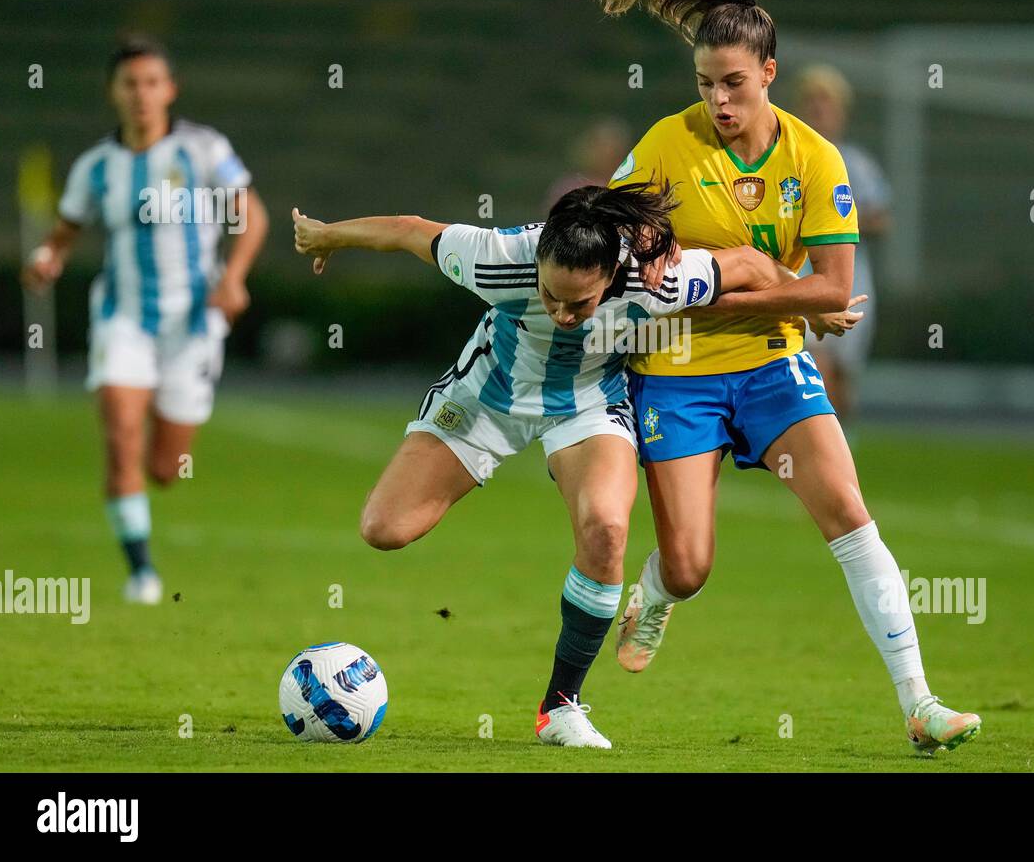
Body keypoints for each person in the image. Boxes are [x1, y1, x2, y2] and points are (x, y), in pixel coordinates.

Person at [591, 0, 980, 754]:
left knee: (849, 513)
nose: (718, 100)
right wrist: (780, 292)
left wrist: (740, 300)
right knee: (690, 567)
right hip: (677, 374)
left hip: (773, 367)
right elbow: (608, 248)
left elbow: (836, 287)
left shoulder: (815, 159)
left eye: (734, 82)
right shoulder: (663, 147)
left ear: (770, 71)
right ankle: (654, 592)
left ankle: (920, 705)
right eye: (705, 83)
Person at [291, 182, 860, 748]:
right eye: (550, 296)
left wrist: (808, 304)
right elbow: (409, 230)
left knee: (607, 528)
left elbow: (752, 265)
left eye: (580, 303)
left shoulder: (655, 279)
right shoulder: (496, 258)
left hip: (588, 404)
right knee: (384, 529)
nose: (563, 315)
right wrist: (327, 236)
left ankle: (560, 706)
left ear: (610, 277)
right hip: (487, 397)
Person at [21, 34, 269, 604]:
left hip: (193, 325)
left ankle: (163, 430)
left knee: (166, 468)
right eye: (129, 84)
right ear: (113, 92)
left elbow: (251, 215)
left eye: (151, 82)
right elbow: (63, 233)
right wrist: (47, 258)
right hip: (123, 318)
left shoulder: (203, 149)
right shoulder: (95, 167)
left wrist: (234, 277)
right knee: (120, 433)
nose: (141, 94)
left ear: (170, 89)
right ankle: (141, 573)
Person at [795, 64, 892, 420]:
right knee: (816, 365)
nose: (819, 110)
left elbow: (882, 219)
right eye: (812, 101)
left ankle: (841, 439)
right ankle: (819, 442)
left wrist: (835, 222)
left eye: (827, 103)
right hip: (801, 277)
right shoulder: (788, 159)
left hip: (851, 279)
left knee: (843, 375)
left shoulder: (857, 165)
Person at [542, 117, 632, 213]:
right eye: (601, 148)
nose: (607, 155)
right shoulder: (570, 186)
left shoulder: (630, 185)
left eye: (613, 150)